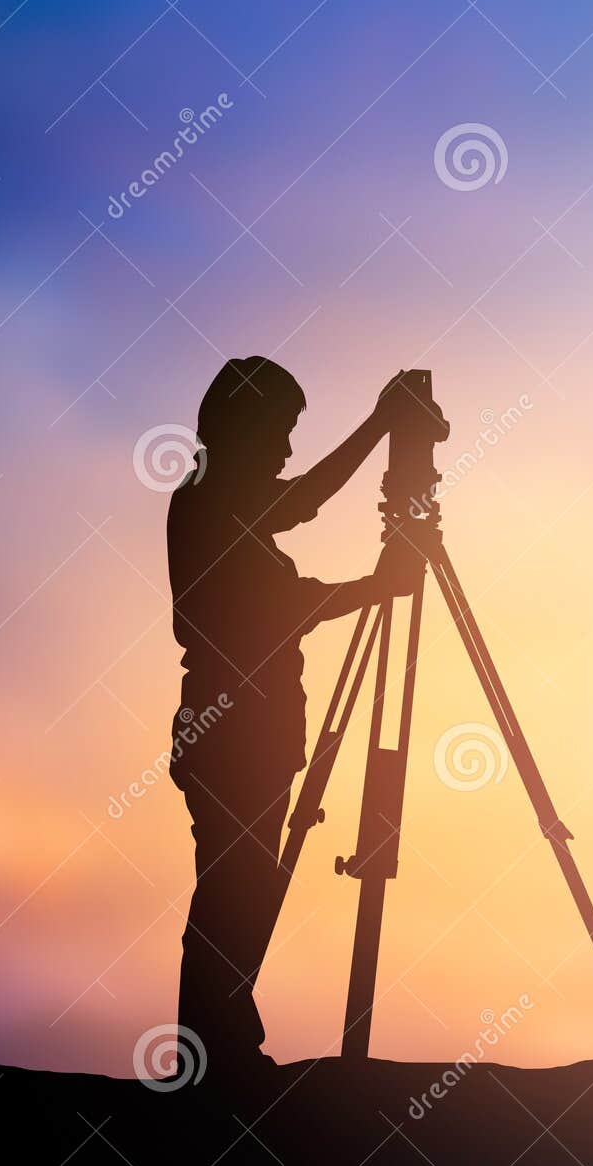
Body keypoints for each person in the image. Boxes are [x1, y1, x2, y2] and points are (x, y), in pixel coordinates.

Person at [166, 356, 423, 1076]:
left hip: (251, 734)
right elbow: (282, 600)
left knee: (242, 889)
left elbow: (296, 516)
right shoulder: (207, 500)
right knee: (235, 891)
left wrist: (379, 429)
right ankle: (213, 1054)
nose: (285, 449)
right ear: (243, 429)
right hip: (232, 734)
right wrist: (376, 585)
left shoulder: (223, 506)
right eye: (279, 431)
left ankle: (219, 1047)